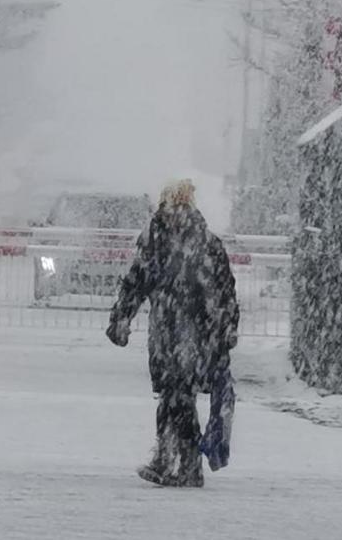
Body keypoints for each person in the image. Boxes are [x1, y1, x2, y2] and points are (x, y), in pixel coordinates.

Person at [105, 179, 240, 488]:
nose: (175, 210)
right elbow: (224, 294)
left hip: (180, 335)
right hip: (185, 336)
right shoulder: (199, 242)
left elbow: (136, 282)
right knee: (177, 397)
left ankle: (169, 459)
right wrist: (225, 333)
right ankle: (181, 463)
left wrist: (121, 318)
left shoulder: (168, 241)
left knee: (175, 397)